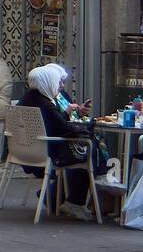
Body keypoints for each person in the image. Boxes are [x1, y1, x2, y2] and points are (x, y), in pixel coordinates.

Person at [18, 63, 104, 221]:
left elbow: (55, 124)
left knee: (82, 149)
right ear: (48, 81)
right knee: (86, 151)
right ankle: (74, 201)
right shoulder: (45, 103)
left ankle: (51, 196)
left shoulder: (29, 98)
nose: (61, 86)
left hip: (24, 151)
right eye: (58, 82)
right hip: (47, 151)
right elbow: (62, 127)